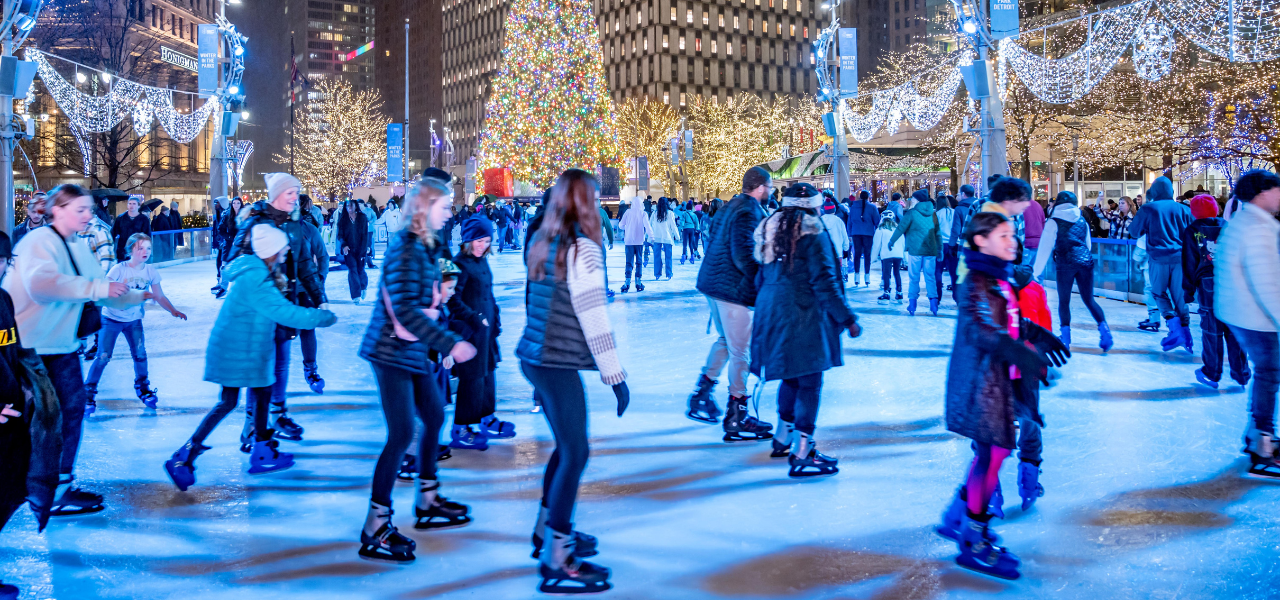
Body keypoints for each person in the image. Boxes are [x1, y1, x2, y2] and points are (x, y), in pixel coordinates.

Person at [4, 184, 149, 517]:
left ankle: (58, 487)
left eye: (89, 209)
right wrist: (99, 287)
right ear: (57, 210)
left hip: (62, 345)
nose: (89, 215)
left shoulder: (78, 245)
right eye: (80, 210)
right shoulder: (38, 243)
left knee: (70, 411)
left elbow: (99, 287)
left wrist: (133, 297)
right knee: (39, 419)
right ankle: (31, 484)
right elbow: (42, 285)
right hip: (30, 348)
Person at [938, 211, 1068, 580]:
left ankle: (964, 524)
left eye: (1014, 235)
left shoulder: (998, 275)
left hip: (997, 382)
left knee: (992, 456)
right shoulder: (976, 279)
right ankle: (973, 539)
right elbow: (981, 328)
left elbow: (1005, 319)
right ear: (981, 240)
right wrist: (1024, 354)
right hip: (982, 386)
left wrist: (1036, 334)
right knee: (990, 458)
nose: (1013, 242)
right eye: (1004, 236)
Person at [357, 175, 477, 564]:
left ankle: (427, 499)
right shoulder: (406, 247)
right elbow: (404, 309)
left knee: (434, 413)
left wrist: (441, 323)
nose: (449, 213)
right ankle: (375, 524)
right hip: (390, 350)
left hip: (413, 349)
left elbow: (432, 298)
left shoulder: (427, 246)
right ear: (425, 209)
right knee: (402, 433)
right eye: (445, 207)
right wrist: (450, 343)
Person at [518, 169, 628, 593]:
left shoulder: (542, 239)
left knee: (567, 448)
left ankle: (547, 531)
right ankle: (558, 557)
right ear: (584, 201)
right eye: (595, 197)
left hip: (536, 357)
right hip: (554, 359)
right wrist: (615, 376)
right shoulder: (583, 248)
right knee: (576, 451)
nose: (599, 204)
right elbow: (593, 315)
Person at [163, 225, 336, 493]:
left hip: (242, 349)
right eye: (282, 247)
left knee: (248, 395)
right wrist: (323, 316)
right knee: (243, 397)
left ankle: (236, 451)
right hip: (239, 352)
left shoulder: (254, 270)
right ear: (270, 252)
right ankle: (196, 454)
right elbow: (287, 313)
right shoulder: (258, 280)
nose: (287, 250)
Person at [752, 183, 860, 477]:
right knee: (809, 382)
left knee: (791, 376)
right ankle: (803, 450)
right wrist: (848, 318)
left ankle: (782, 435)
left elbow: (760, 276)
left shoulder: (769, 226)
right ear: (813, 204)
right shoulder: (813, 230)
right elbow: (824, 280)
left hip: (772, 312)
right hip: (803, 314)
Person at [226, 173, 328, 448]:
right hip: (258, 307)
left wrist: (320, 297)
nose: (295, 197)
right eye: (290, 192)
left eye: (297, 192)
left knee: (282, 360)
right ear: (276, 195)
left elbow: (305, 263)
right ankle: (251, 424)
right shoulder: (256, 220)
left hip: (285, 303)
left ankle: (278, 414)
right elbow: (232, 260)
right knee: (259, 367)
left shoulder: (296, 225)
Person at [686, 167, 774, 442]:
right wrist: (761, 284)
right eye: (769, 186)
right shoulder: (748, 211)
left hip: (714, 284)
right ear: (761, 187)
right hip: (731, 289)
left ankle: (702, 393)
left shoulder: (729, 206)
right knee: (740, 351)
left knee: (726, 341)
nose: (770, 192)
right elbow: (744, 254)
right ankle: (737, 413)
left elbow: (715, 240)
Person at [1215, 169, 1280, 477]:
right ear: (1262, 194)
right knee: (1269, 373)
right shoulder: (1257, 228)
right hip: (1255, 315)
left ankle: (1258, 434)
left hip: (1240, 312)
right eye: (1277, 190)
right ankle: (1263, 444)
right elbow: (1266, 282)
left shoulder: (1242, 221)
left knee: (1267, 372)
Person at [83, 234, 186, 410]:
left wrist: (173, 310)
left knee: (140, 354)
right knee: (103, 356)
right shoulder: (119, 269)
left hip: (134, 320)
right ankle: (88, 394)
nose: (145, 252)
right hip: (111, 319)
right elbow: (105, 289)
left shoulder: (150, 271)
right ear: (131, 250)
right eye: (140, 248)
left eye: (148, 248)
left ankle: (143, 389)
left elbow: (159, 295)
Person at [448, 216, 513, 450]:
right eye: (478, 240)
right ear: (467, 240)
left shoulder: (482, 261)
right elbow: (452, 300)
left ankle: (487, 417)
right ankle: (461, 427)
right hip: (470, 332)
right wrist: (474, 318)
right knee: (471, 379)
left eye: (486, 241)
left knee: (488, 374)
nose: (482, 245)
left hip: (487, 331)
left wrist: (495, 317)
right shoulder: (459, 263)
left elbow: (489, 293)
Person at [1183, 194, 1249, 390]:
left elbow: (1189, 262)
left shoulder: (1192, 230)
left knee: (1211, 328)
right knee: (1233, 327)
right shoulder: (1227, 226)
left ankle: (1212, 373)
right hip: (1231, 281)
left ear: (1194, 212)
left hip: (1208, 282)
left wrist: (1187, 291)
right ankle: (1241, 374)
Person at [1032, 191, 1113, 351]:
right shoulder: (1081, 220)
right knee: (1089, 300)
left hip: (1065, 264)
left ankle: (1066, 338)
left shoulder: (1053, 222)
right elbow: (1087, 245)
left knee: (1064, 302)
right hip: (1085, 262)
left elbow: (1044, 248)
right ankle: (1105, 332)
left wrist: (1035, 273)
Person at [1128, 176, 1194, 353]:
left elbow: (1134, 232)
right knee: (1180, 297)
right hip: (1180, 259)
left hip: (1158, 258)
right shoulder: (1184, 209)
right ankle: (1186, 334)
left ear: (1155, 191)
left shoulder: (1149, 208)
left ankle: (1175, 329)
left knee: (1158, 292)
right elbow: (1192, 234)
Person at [888, 189, 942, 316]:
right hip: (930, 250)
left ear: (917, 200)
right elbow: (937, 232)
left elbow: (901, 228)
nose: (911, 200)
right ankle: (933, 304)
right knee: (930, 277)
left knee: (914, 278)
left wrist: (891, 241)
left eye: (913, 198)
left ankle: (912, 304)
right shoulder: (933, 214)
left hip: (915, 251)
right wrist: (940, 249)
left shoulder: (911, 213)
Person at [297, 194, 330, 394]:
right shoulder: (275, 229)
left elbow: (323, 255)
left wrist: (321, 279)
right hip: (282, 292)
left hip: (305, 289)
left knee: (308, 329)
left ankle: (311, 370)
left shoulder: (309, 230)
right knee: (279, 335)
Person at [617, 195, 653, 292]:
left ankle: (627, 282)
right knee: (639, 262)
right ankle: (638, 281)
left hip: (628, 241)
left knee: (629, 262)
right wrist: (652, 237)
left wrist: (626, 228)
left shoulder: (628, 212)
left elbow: (621, 225)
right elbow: (647, 226)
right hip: (639, 242)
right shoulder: (643, 213)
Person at [338, 199, 370, 304]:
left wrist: (364, 250)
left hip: (361, 249)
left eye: (351, 206)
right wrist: (344, 245)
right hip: (349, 250)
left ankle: (363, 287)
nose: (349, 208)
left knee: (360, 270)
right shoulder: (343, 219)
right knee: (352, 270)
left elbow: (365, 235)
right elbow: (340, 235)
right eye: (347, 206)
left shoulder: (362, 218)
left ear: (355, 206)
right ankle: (356, 295)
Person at [870, 211, 904, 303]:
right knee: (897, 272)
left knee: (886, 273)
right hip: (898, 254)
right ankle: (899, 292)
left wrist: (872, 259)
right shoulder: (898, 228)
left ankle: (886, 293)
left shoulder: (880, 229)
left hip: (886, 254)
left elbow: (876, 245)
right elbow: (903, 242)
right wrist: (904, 256)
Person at [847, 190, 879, 287]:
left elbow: (849, 222)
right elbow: (877, 221)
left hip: (856, 233)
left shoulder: (853, 207)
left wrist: (849, 234)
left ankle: (856, 277)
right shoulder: (872, 207)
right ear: (868, 197)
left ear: (860, 197)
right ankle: (867, 277)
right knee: (867, 255)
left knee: (857, 254)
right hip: (868, 233)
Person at [214, 197, 243, 298]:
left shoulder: (244, 215)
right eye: (234, 203)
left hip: (240, 245)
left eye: (238, 203)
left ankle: (240, 288)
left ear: (241, 204)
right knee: (224, 265)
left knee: (240, 266)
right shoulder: (227, 215)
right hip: (229, 243)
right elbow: (220, 229)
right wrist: (230, 237)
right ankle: (223, 287)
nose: (236, 205)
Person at [110, 196, 151, 262]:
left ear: (138, 206)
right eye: (130, 203)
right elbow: (113, 233)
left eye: (134, 204)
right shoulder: (120, 218)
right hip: (122, 252)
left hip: (138, 252)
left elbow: (147, 236)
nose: (131, 205)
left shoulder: (144, 219)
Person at [819, 197, 850, 284]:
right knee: (837, 271)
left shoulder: (820, 221)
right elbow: (845, 236)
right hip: (838, 251)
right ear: (834, 209)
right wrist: (846, 249)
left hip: (824, 252)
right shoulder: (839, 221)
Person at [649, 197, 680, 280]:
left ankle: (657, 274)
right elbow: (673, 226)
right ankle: (669, 273)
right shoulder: (670, 213)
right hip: (667, 237)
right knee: (668, 257)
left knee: (657, 257)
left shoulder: (655, 213)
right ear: (667, 204)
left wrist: (648, 237)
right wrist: (677, 236)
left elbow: (650, 225)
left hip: (656, 237)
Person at [1021, 193, 1045, 266]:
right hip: (1038, 242)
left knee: (1024, 271)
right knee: (1037, 271)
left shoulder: (1020, 206)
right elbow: (1043, 222)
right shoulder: (1037, 205)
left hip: (1026, 242)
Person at [678, 200, 700, 265]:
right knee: (691, 243)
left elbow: (682, 221)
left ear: (686, 208)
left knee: (685, 243)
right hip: (692, 229)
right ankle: (692, 256)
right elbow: (696, 222)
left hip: (685, 229)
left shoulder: (684, 214)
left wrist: (681, 227)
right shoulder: (694, 214)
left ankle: (684, 256)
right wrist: (696, 229)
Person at [361, 199, 378, 268]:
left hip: (369, 231)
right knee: (362, 246)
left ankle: (369, 262)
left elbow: (375, 217)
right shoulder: (358, 211)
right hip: (361, 231)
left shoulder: (370, 211)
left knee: (368, 246)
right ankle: (363, 262)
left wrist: (372, 221)